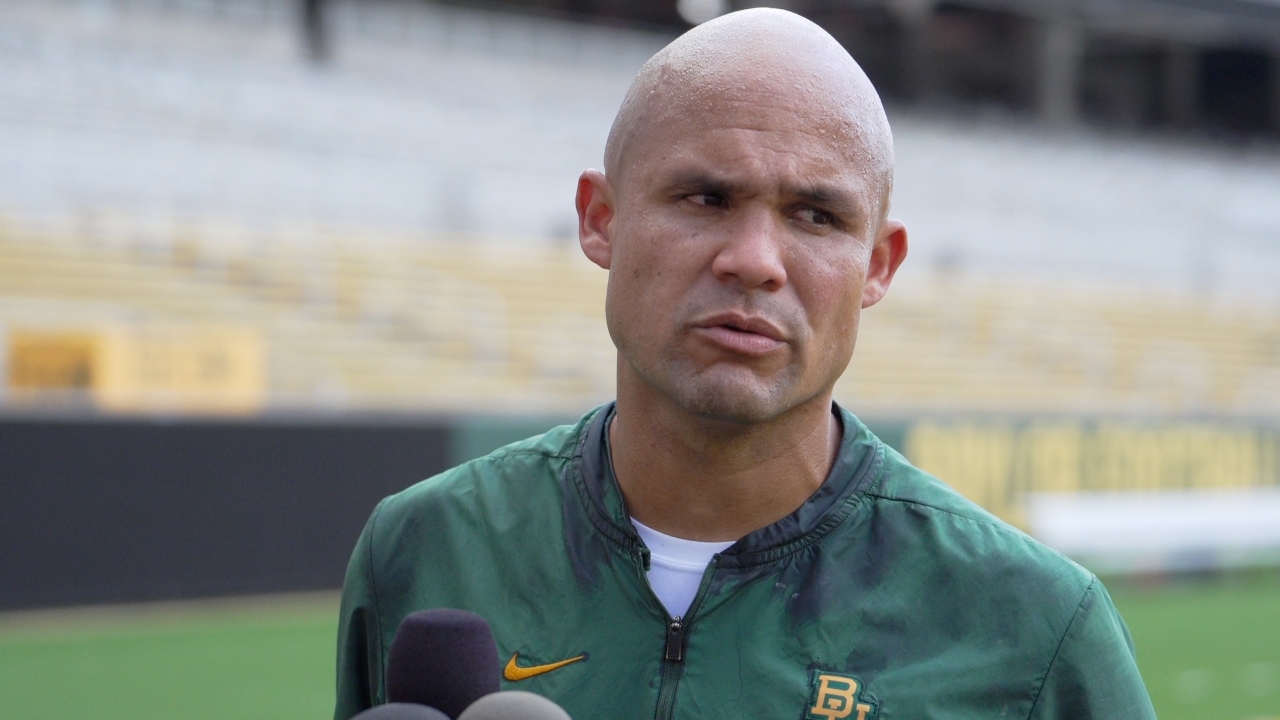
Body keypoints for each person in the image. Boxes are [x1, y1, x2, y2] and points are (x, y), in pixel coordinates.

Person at [335, 9, 1156, 720]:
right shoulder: (425, 548)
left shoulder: (1034, 626)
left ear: (878, 266)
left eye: (816, 215)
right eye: (706, 198)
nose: (756, 260)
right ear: (600, 221)